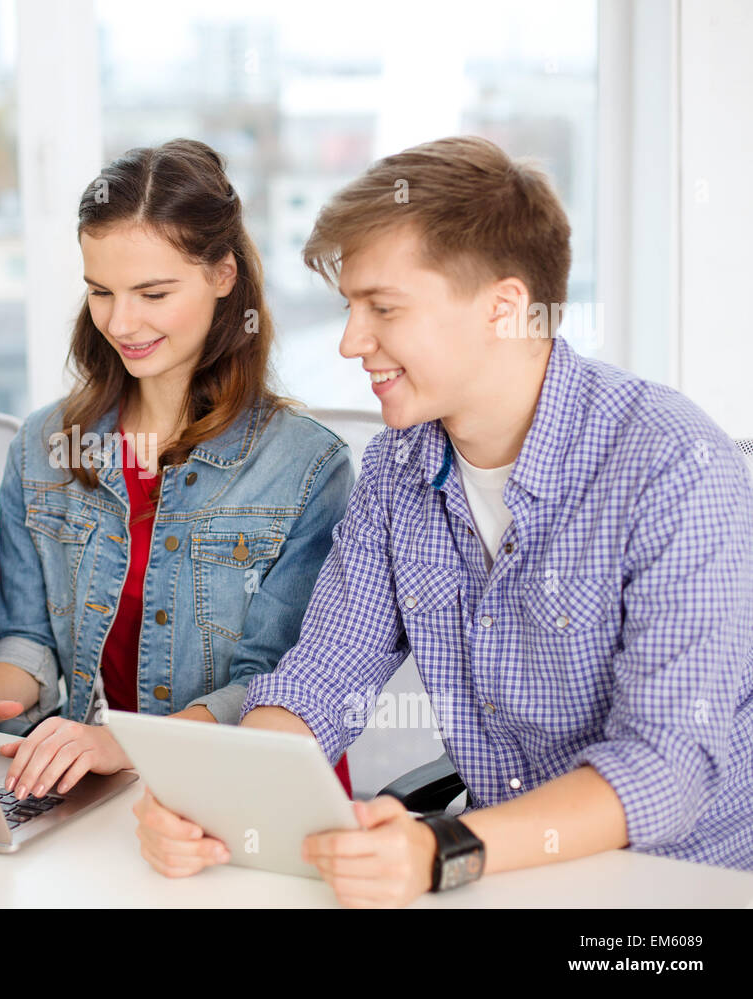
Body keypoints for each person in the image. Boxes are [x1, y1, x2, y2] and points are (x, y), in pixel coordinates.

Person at [135, 135, 753, 901]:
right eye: (350, 306)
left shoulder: (673, 466)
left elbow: (666, 768)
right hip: (491, 872)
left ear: (504, 306)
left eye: (383, 308)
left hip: (673, 893)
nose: (351, 341)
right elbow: (323, 680)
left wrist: (447, 848)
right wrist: (223, 804)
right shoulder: (399, 465)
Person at [0, 138, 355, 802]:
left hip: (245, 793)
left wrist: (131, 744)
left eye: (153, 292)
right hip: (101, 791)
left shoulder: (307, 469)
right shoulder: (44, 446)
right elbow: (27, 639)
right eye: (101, 291)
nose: (121, 320)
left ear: (223, 275)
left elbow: (272, 684)